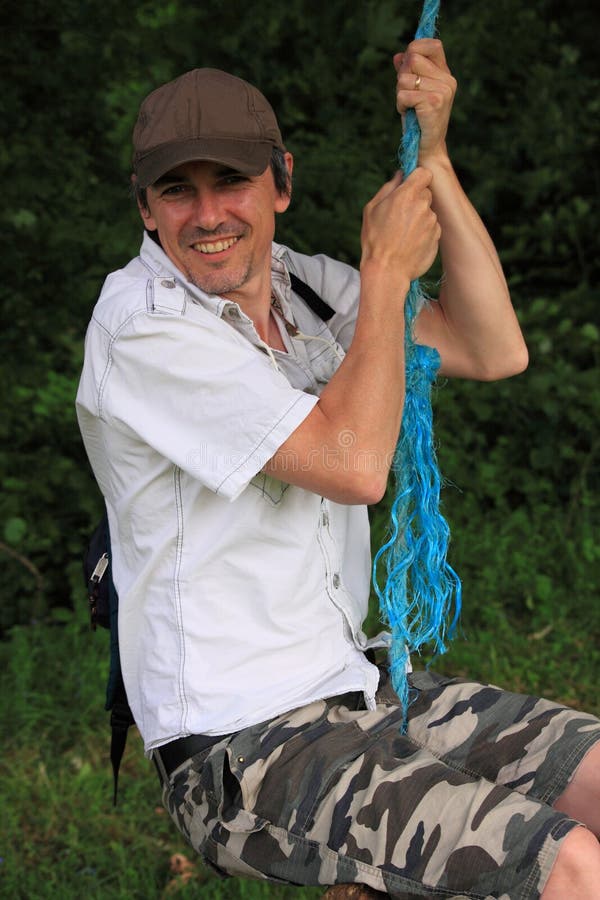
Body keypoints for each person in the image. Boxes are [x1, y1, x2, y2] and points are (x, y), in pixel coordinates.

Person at [76, 39, 600, 899]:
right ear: (146, 208)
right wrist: (388, 268)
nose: (208, 214)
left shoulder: (307, 291)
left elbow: (492, 346)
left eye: (231, 183)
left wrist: (433, 160)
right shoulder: (141, 327)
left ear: (281, 183)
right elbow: (354, 467)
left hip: (357, 683)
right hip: (238, 745)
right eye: (178, 190)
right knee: (570, 867)